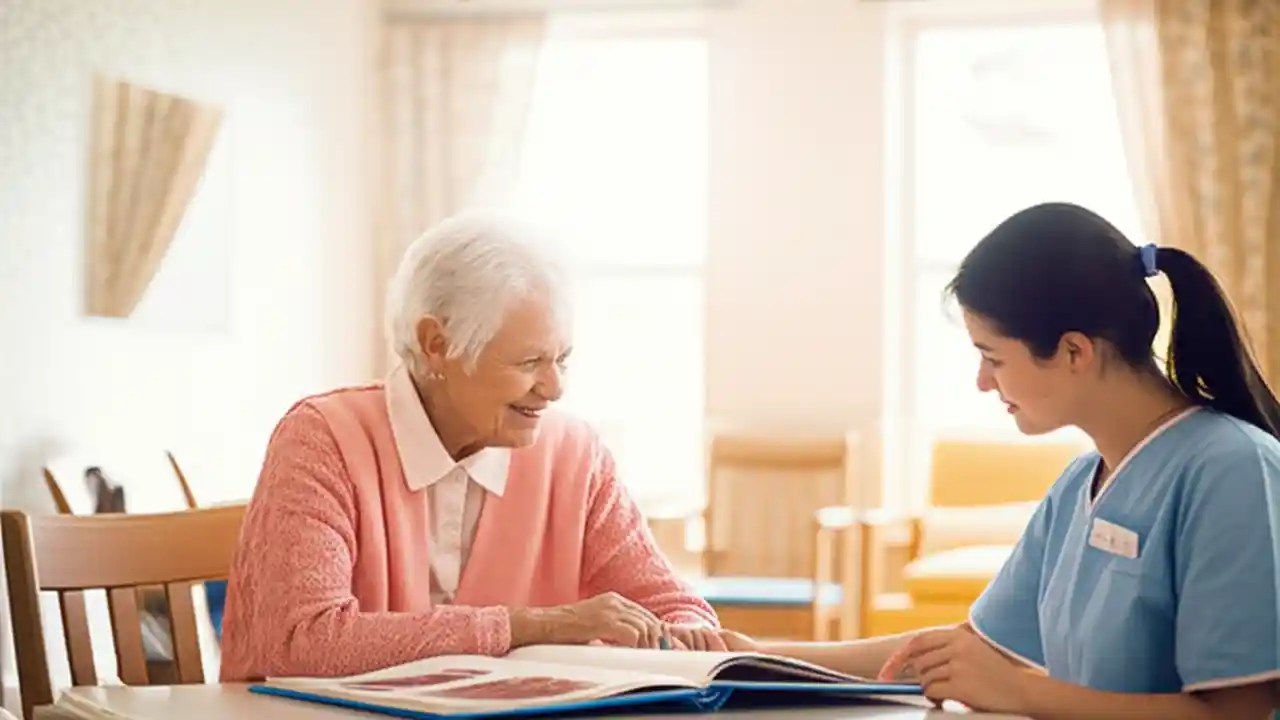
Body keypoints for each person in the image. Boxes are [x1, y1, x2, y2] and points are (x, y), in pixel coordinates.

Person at [720, 202, 1280, 718]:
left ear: (1073, 351)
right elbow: (967, 650)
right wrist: (756, 657)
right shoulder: (1081, 483)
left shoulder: (1231, 469)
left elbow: (1236, 714)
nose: (983, 382)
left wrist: (1019, 692)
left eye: (993, 358)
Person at [220, 213, 722, 682]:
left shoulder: (576, 456)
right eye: (528, 362)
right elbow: (302, 643)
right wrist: (532, 626)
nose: (554, 387)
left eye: (561, 359)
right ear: (436, 344)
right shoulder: (321, 439)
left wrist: (684, 631)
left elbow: (673, 605)